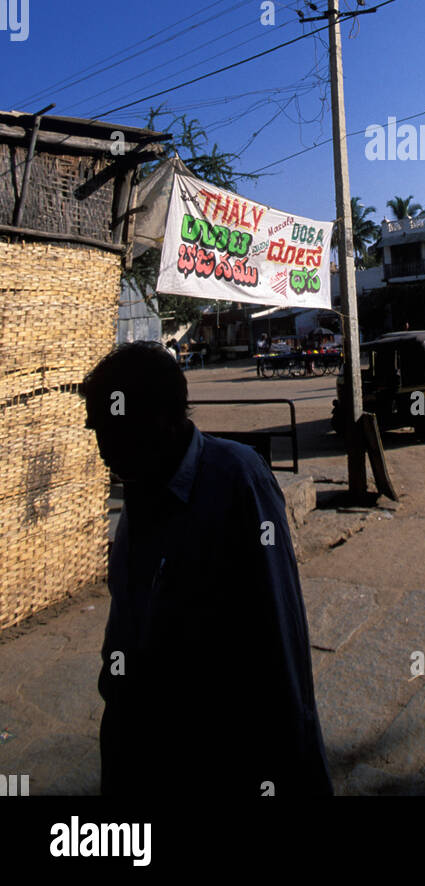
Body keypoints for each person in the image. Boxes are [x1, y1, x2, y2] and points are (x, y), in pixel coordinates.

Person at [80, 341, 333, 798]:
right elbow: (126, 630)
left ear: (161, 419)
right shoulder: (140, 493)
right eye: (96, 431)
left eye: (111, 431)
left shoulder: (237, 482)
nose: (102, 451)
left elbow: (279, 642)